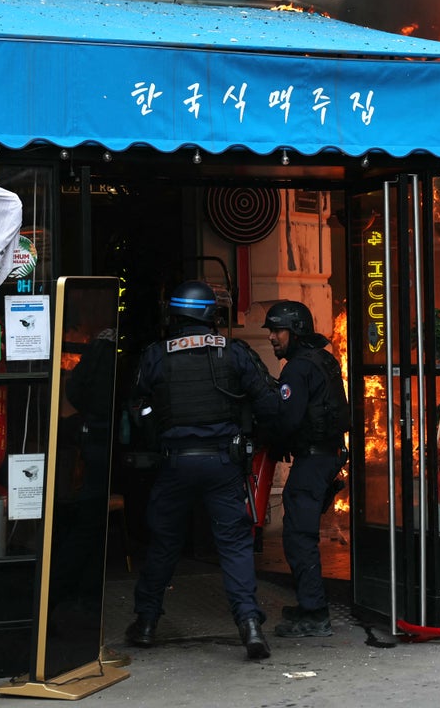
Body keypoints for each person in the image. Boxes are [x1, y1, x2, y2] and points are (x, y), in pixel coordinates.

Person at [125, 281, 280, 660]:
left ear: (173, 314)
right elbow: (270, 403)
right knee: (234, 545)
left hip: (175, 463)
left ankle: (146, 623)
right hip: (224, 464)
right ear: (212, 314)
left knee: (163, 543)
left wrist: (154, 436)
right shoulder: (235, 352)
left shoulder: (155, 355)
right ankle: (250, 625)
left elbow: (135, 409)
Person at [262, 300, 350, 638]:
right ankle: (308, 604)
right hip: (326, 455)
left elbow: (288, 419)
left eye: (277, 330)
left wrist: (267, 436)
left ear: (295, 331)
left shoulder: (297, 369)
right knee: (301, 529)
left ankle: (314, 613)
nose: (271, 337)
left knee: (299, 534)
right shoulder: (323, 359)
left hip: (313, 460)